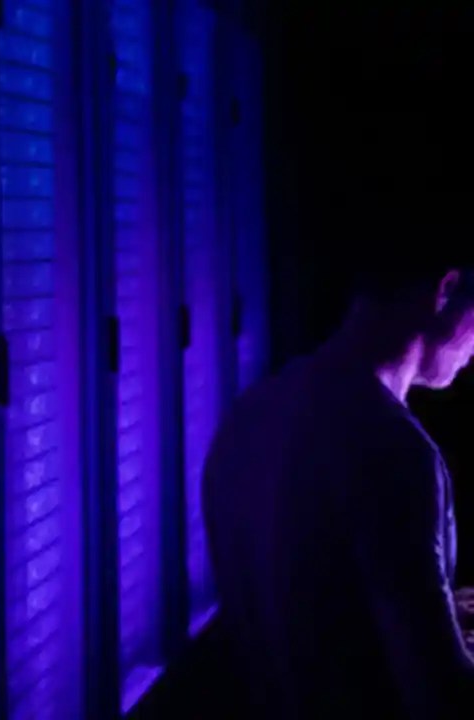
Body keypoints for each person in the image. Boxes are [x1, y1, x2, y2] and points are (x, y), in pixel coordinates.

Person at [203, 236, 474, 718]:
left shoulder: (248, 418)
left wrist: (441, 614)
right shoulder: (395, 451)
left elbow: (313, 613)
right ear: (446, 290)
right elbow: (443, 698)